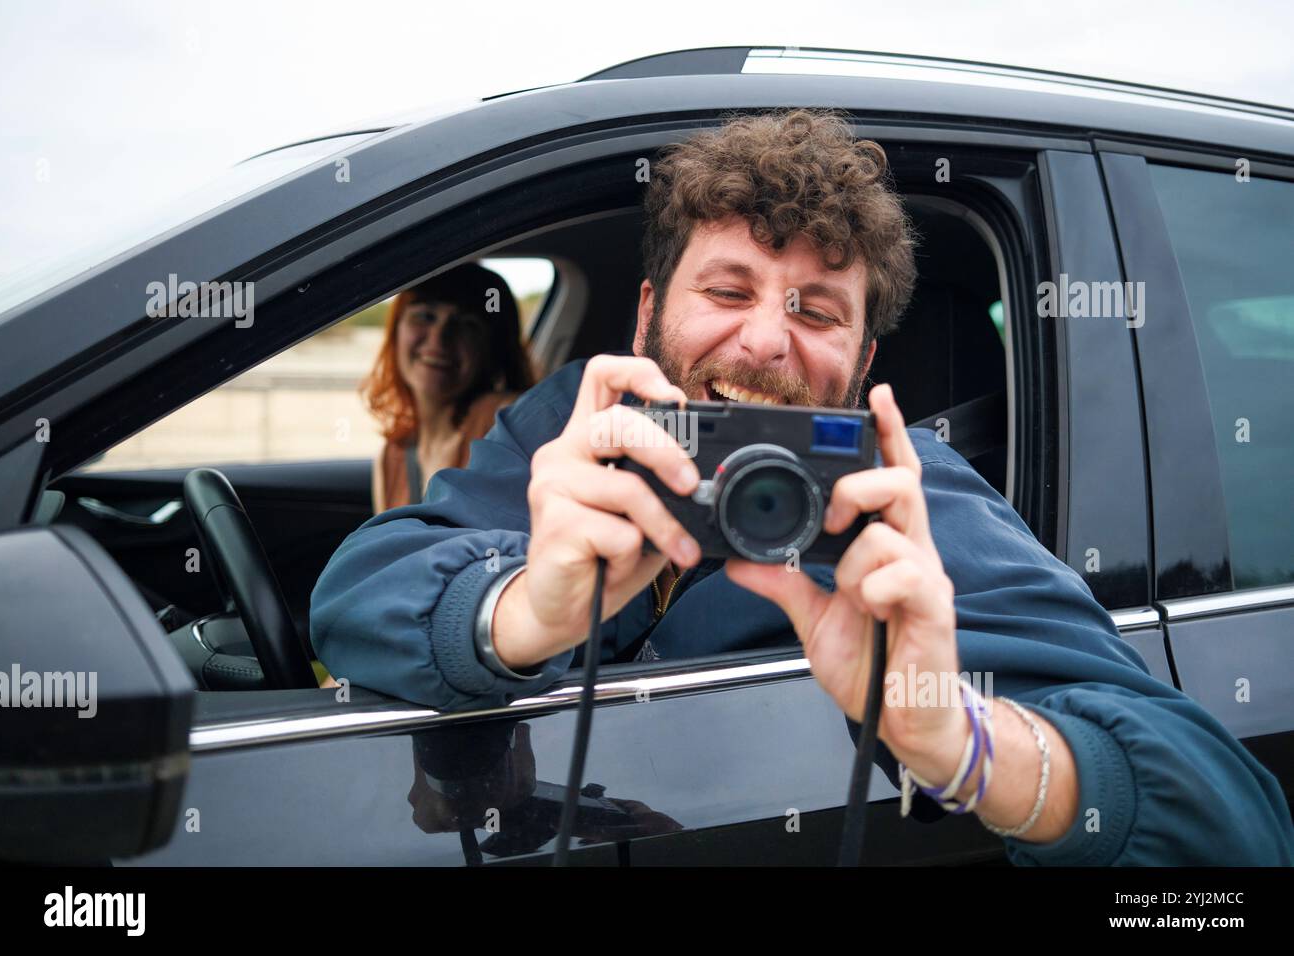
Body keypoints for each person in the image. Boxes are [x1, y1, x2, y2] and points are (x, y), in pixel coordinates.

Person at [311, 109, 1294, 865]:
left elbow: (1232, 827)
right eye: (728, 290)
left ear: (862, 356)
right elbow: (358, 594)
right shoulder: (577, 423)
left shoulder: (903, 506)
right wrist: (522, 610)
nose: (767, 339)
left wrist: (954, 737)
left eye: (815, 309)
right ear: (652, 311)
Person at [361, 262, 536, 512]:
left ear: (494, 348)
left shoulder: (507, 421)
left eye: (466, 323)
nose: (439, 338)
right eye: (424, 316)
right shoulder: (392, 457)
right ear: (396, 332)